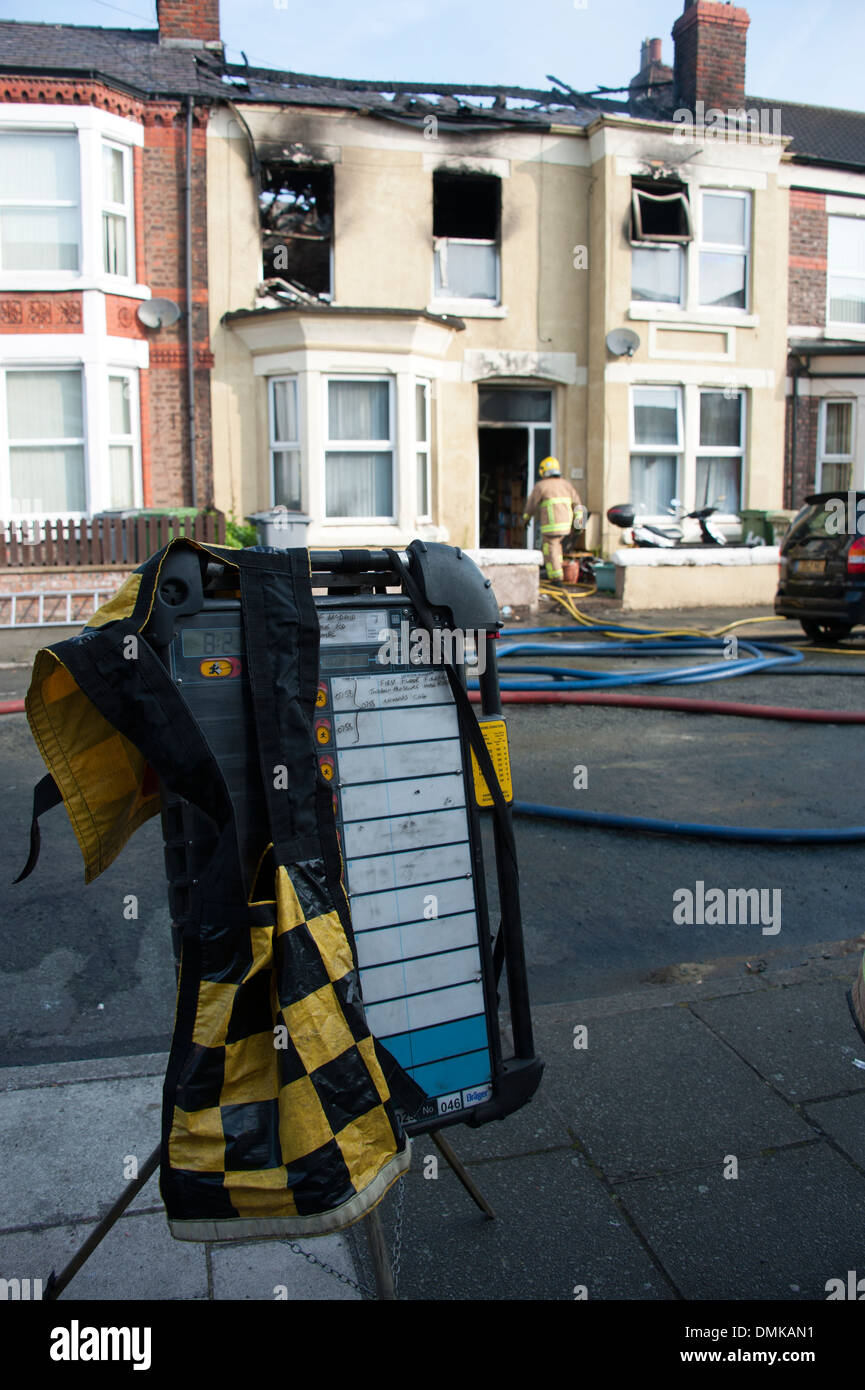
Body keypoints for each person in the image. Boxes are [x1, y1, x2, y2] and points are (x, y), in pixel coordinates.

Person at [523, 456, 585, 582]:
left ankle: (557, 579)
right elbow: (578, 505)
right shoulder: (566, 485)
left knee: (550, 550)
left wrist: (525, 520)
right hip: (566, 527)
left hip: (551, 528)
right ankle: (558, 574)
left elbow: (531, 506)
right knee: (557, 550)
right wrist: (578, 525)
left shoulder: (541, 486)